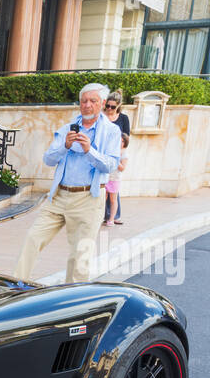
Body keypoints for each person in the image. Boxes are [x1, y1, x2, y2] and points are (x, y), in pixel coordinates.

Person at [11, 83, 122, 284]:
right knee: (32, 238)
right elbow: (48, 159)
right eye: (84, 101)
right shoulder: (66, 129)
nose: (87, 105)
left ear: (103, 104)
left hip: (89, 199)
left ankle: (73, 302)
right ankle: (17, 287)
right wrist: (65, 146)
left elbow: (111, 165)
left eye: (93, 101)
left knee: (80, 257)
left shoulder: (112, 132)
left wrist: (90, 150)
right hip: (59, 196)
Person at [102, 90, 129, 224]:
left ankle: (114, 216)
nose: (109, 109)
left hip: (116, 154)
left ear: (118, 106)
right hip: (103, 154)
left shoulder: (123, 118)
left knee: (114, 189)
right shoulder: (101, 116)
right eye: (108, 106)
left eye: (113, 107)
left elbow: (126, 137)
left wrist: (120, 151)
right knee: (103, 188)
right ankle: (102, 215)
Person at [102, 134, 129, 227]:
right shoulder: (111, 150)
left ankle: (111, 219)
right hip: (106, 178)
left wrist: (115, 160)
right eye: (119, 141)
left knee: (113, 200)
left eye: (122, 141)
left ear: (125, 142)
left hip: (115, 179)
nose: (120, 143)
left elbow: (122, 168)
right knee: (102, 199)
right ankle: (100, 217)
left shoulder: (124, 154)